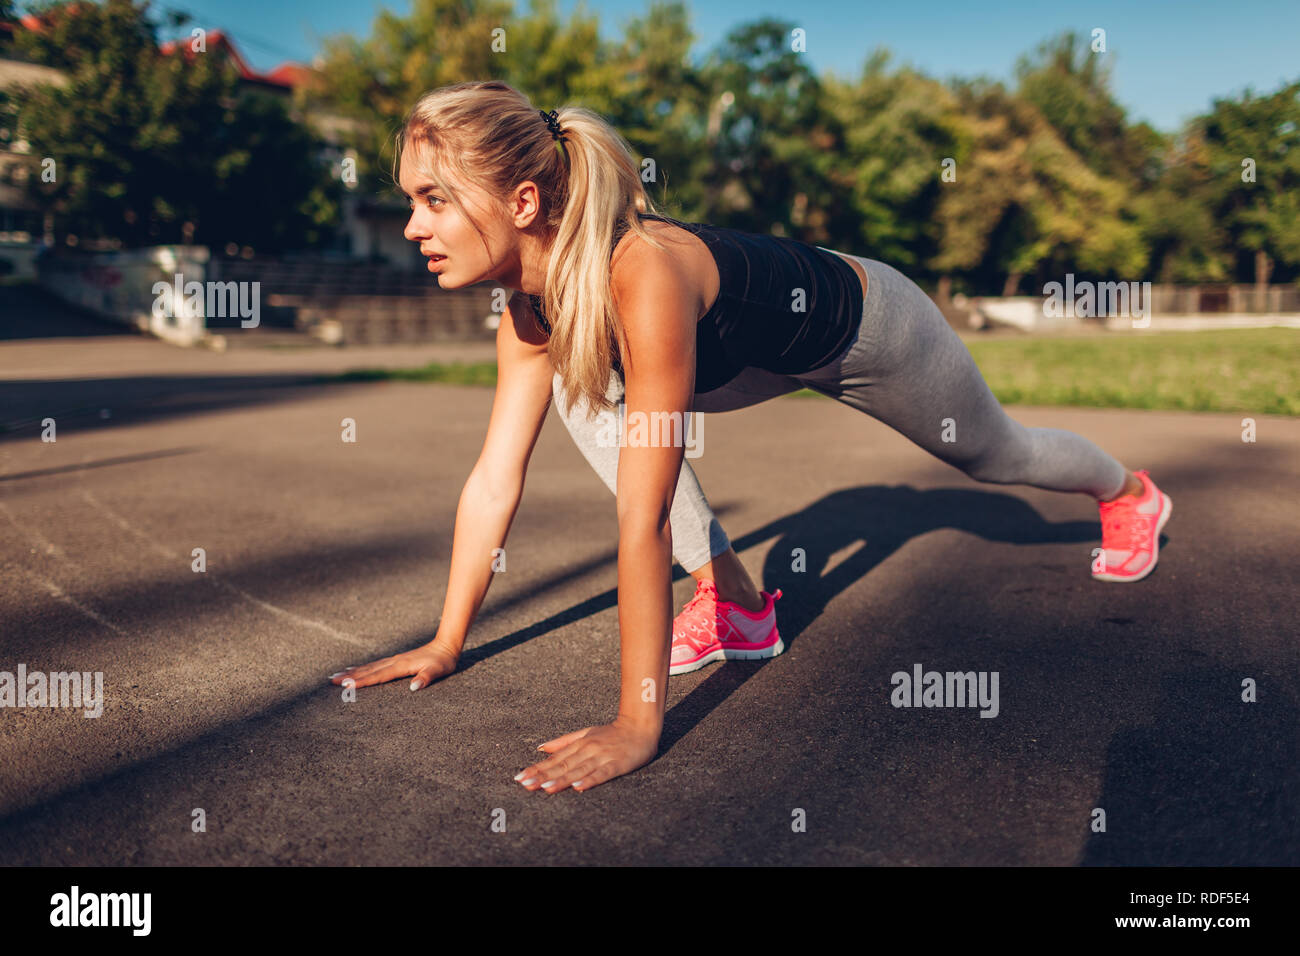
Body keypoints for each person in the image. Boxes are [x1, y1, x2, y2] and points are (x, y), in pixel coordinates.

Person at [328, 80, 1173, 795]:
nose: (412, 226)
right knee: (581, 392)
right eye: (411, 201)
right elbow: (492, 477)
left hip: (867, 329)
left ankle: (1129, 492)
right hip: (739, 363)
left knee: (998, 454)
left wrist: (636, 725)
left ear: (521, 203)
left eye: (432, 200)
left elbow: (644, 519)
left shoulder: (641, 272)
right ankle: (736, 603)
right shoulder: (530, 312)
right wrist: (446, 642)